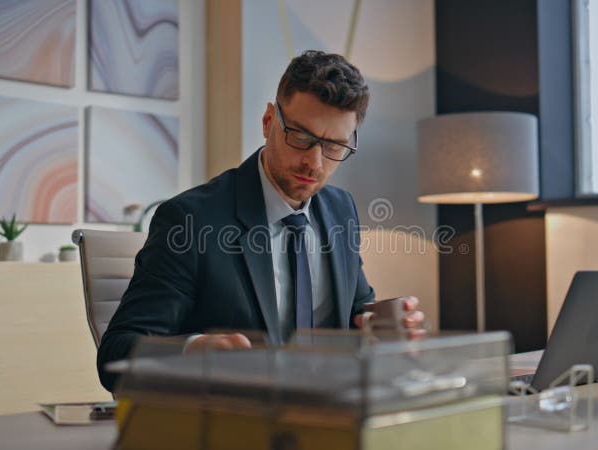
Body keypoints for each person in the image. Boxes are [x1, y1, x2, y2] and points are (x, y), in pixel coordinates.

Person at [97, 50, 425, 392]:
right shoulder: (190, 220)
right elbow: (116, 356)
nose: (314, 163)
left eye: (334, 147)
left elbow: (355, 312)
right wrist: (193, 351)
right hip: (239, 414)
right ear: (269, 121)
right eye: (301, 137)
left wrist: (380, 327)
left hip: (330, 409)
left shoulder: (340, 209)